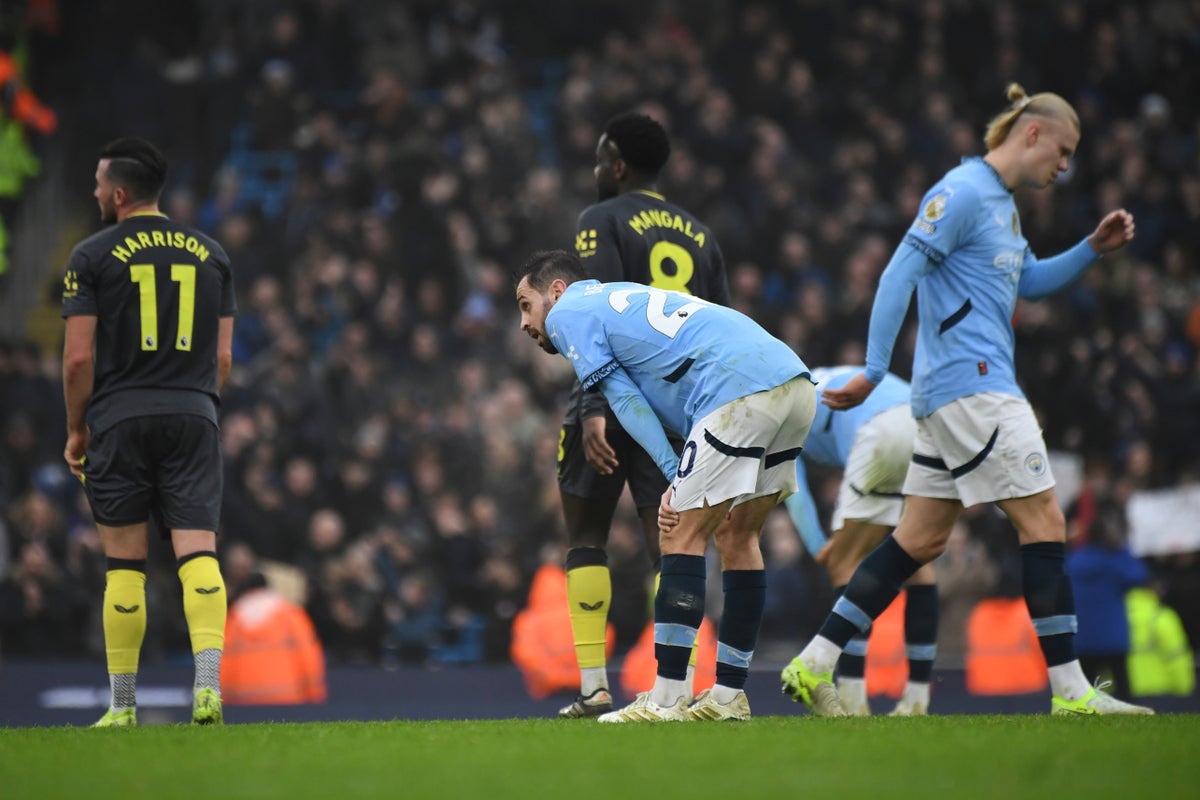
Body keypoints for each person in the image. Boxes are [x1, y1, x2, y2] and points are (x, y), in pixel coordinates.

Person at [780, 83, 1154, 716]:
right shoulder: (962, 192)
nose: (1065, 166)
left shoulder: (1001, 206)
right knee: (1045, 521)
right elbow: (898, 272)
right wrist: (874, 369)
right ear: (1032, 134)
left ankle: (814, 659)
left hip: (953, 394)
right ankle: (1072, 693)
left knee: (918, 541)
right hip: (975, 387)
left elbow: (1029, 281)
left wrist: (1091, 248)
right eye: (1062, 151)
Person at [516, 249, 814, 722]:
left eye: (526, 305)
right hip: (793, 382)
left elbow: (624, 400)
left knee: (677, 533)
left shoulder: (569, 312)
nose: (525, 323)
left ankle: (668, 698)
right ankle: (727, 696)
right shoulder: (620, 299)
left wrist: (673, 472)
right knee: (738, 537)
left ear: (556, 291)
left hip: (735, 388)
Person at [556, 111, 730, 719]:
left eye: (601, 157)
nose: (596, 168)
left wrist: (593, 405)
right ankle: (673, 690)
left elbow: (596, 311)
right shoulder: (702, 236)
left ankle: (594, 688)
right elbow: (719, 329)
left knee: (586, 538)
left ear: (619, 165)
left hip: (608, 399)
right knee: (675, 548)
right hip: (678, 412)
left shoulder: (600, 219)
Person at [61, 138, 236, 726]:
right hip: (193, 413)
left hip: (119, 417)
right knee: (199, 553)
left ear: (118, 193)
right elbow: (223, 358)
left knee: (125, 566)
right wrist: (198, 406)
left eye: (97, 183)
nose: (93, 192)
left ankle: (123, 706)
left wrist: (76, 430)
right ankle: (207, 687)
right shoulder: (212, 254)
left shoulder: (90, 255)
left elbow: (77, 360)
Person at [785, 365, 938, 715]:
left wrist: (818, 546)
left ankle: (852, 697)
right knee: (918, 565)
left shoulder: (782, 411)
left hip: (881, 431)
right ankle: (917, 696)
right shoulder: (827, 376)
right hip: (927, 424)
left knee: (845, 563)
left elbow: (794, 489)